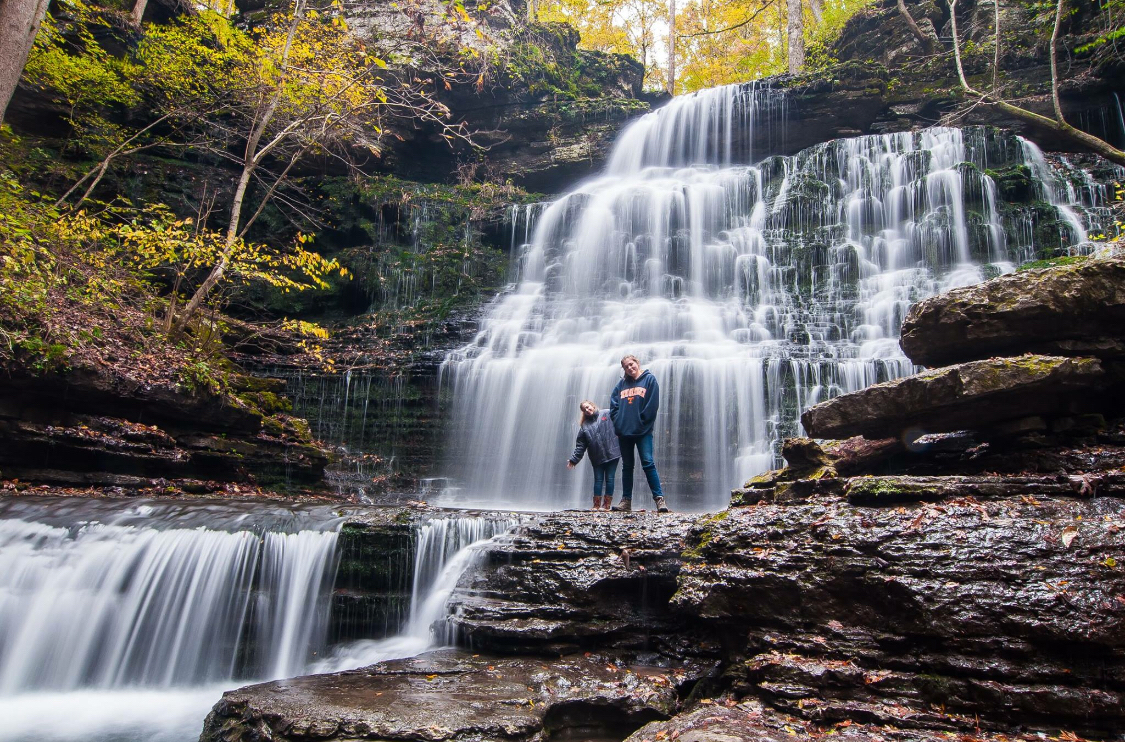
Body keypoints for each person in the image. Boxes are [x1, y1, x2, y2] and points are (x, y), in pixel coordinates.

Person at [609, 355, 669, 512]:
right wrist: (619, 424)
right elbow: (613, 406)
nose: (630, 368)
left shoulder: (649, 380)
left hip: (643, 431)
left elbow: (652, 405)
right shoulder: (621, 385)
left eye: (631, 364)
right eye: (626, 367)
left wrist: (643, 423)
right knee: (627, 466)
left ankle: (659, 500)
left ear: (637, 363)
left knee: (648, 463)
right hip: (624, 432)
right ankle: (626, 501)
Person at [566, 400, 622, 510]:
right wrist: (573, 460)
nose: (587, 410)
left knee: (610, 478)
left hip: (612, 452)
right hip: (597, 457)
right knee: (598, 480)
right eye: (584, 409)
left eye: (588, 407)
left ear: (592, 405)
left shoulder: (607, 413)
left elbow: (620, 421)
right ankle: (596, 506)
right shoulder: (585, 426)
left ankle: (606, 506)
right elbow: (581, 446)